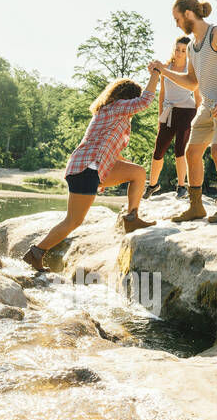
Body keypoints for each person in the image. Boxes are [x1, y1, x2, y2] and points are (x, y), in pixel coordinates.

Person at [22, 68, 159, 272]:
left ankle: (131, 218)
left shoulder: (110, 113)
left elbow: (108, 148)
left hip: (91, 168)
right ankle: (36, 253)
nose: (134, 106)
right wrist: (155, 75)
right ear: (127, 97)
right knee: (73, 221)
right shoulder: (116, 108)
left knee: (137, 173)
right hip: (86, 169)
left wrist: (121, 166)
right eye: (134, 99)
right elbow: (145, 102)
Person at [149, 0, 217, 223]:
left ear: (188, 14)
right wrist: (163, 71)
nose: (176, 24)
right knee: (191, 153)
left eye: (177, 18)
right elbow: (192, 82)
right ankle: (196, 207)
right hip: (208, 105)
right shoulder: (192, 47)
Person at [143, 35, 200, 201]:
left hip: (187, 112)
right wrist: (160, 117)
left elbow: (197, 96)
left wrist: (198, 118)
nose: (180, 53)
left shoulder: (191, 69)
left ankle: (181, 186)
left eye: (183, 50)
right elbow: (162, 94)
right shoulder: (165, 67)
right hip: (168, 113)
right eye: (177, 49)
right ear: (173, 49)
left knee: (180, 150)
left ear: (188, 52)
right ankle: (153, 185)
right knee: (158, 150)